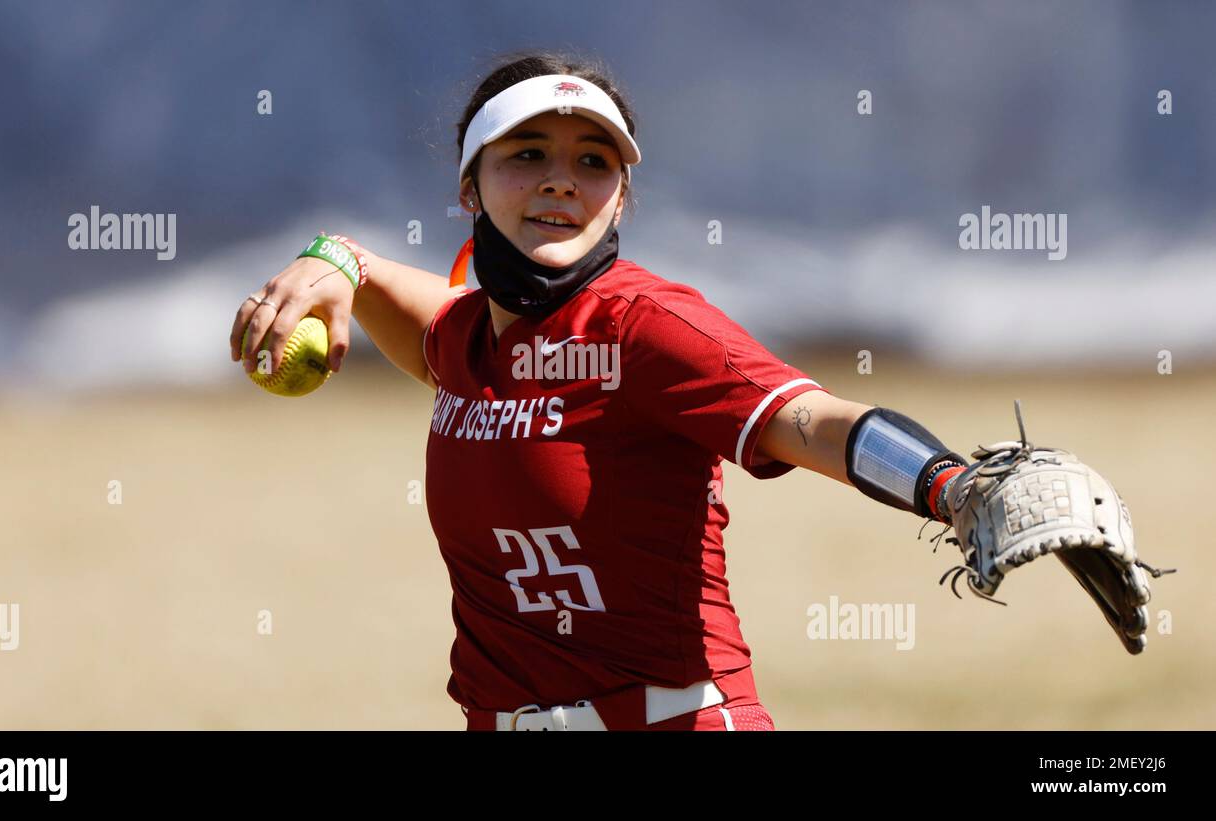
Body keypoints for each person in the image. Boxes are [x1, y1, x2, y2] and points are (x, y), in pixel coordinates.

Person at [229, 51, 974, 731]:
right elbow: (398, 292)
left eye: (594, 160)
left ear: (619, 200)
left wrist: (951, 484)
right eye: (528, 154)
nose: (563, 179)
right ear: (469, 186)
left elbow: (811, 420)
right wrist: (332, 258)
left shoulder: (644, 327)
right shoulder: (464, 343)